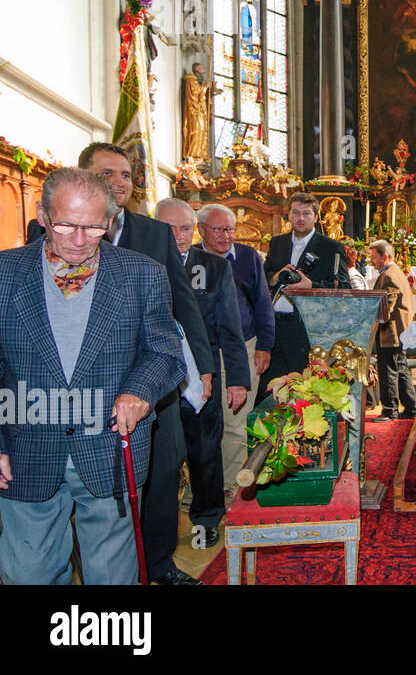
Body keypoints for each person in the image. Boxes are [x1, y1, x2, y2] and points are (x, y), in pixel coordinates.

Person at [0, 169, 184, 584]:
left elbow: (165, 352)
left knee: (112, 576)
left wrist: (139, 390)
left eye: (94, 227)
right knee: (28, 573)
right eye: (66, 225)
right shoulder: (4, 274)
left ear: (112, 220)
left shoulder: (143, 274)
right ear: (43, 215)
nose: (80, 240)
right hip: (23, 449)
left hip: (110, 449)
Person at [52, 143, 213, 585]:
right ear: (81, 176)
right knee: (88, 487)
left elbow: (183, 304)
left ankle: (158, 564)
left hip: (151, 381)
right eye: (109, 173)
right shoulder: (52, 231)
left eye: (126, 174)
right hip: (80, 390)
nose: (120, 182)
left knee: (162, 473)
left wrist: (202, 365)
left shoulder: (154, 233)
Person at [155, 199, 248, 552]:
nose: (179, 236)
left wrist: (238, 378)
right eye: (170, 228)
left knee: (205, 449)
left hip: (204, 372)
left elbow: (230, 327)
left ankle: (206, 519)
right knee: (163, 455)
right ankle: (158, 528)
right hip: (156, 374)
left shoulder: (213, 267)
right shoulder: (139, 262)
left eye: (185, 228)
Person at [196, 203, 274, 492]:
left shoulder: (247, 256)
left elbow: (263, 303)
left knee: (236, 421)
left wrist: (264, 345)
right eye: (218, 229)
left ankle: (229, 487)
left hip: (243, 346)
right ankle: (200, 487)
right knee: (202, 422)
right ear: (201, 229)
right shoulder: (190, 259)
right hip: (202, 352)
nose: (225, 236)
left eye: (230, 229)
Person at [260, 193, 349, 405]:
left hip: (306, 328)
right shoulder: (277, 243)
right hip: (275, 325)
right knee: (270, 388)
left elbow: (344, 288)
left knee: (303, 391)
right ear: (288, 215)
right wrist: (273, 277)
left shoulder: (331, 247)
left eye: (306, 213)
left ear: (316, 217)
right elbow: (262, 277)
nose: (301, 218)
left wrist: (312, 286)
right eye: (296, 212)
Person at [370, 240, 416, 420]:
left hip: (390, 331)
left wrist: (374, 322)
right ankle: (411, 407)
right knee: (400, 367)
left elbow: (387, 305)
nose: (371, 261)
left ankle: (390, 410)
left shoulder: (389, 275)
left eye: (374, 257)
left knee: (388, 369)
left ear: (385, 256)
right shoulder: (393, 271)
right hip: (396, 331)